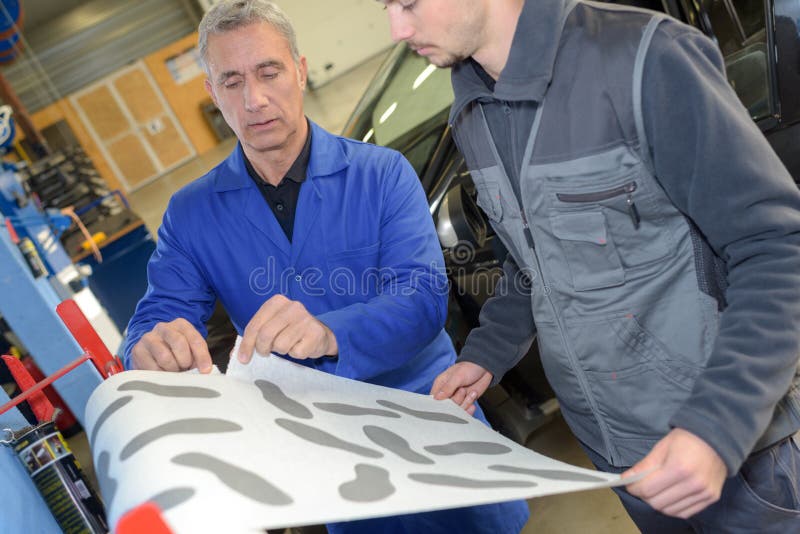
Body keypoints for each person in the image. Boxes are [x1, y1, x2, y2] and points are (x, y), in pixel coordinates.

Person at [381, 0, 800, 532]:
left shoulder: (642, 57)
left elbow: (774, 247)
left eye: (408, 3)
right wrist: (485, 356)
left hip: (727, 449)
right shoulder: (470, 111)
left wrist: (718, 423)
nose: (396, 28)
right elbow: (527, 261)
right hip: (615, 453)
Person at [124, 1, 529, 532]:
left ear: (300, 68)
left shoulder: (381, 174)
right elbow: (160, 313)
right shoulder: (192, 213)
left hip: (433, 430)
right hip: (331, 461)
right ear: (212, 92)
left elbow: (422, 300)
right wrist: (148, 343)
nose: (255, 99)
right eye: (232, 81)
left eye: (269, 72)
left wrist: (326, 332)